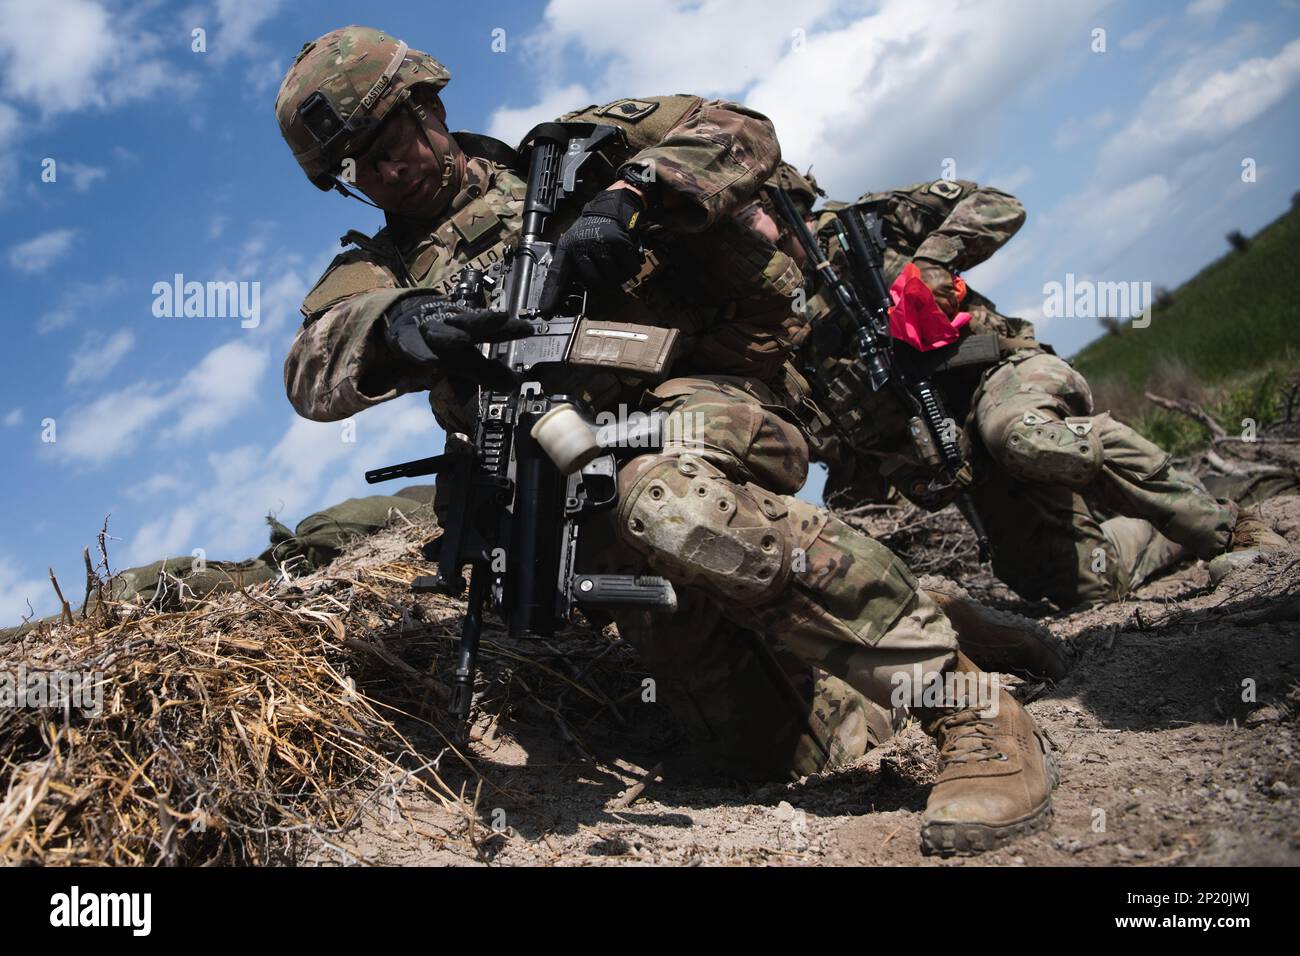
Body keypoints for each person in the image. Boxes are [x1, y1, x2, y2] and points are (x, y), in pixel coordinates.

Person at [274, 25, 1058, 854]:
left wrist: (633, 197)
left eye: (389, 140)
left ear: (426, 105)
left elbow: (743, 132)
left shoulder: (571, 153)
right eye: (359, 167)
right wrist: (403, 322)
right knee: (776, 749)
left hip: (701, 404)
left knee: (668, 498)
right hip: (582, 491)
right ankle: (917, 610)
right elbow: (311, 366)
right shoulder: (382, 267)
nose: (386, 172)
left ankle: (966, 708)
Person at [764, 163, 1290, 609]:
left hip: (1002, 373)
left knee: (1023, 435)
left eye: (752, 215)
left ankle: (1230, 533)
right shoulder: (770, 321)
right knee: (1079, 587)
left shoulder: (868, 227)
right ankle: (1158, 530)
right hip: (957, 451)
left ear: (785, 200)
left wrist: (934, 261)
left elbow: (999, 203)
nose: (748, 236)